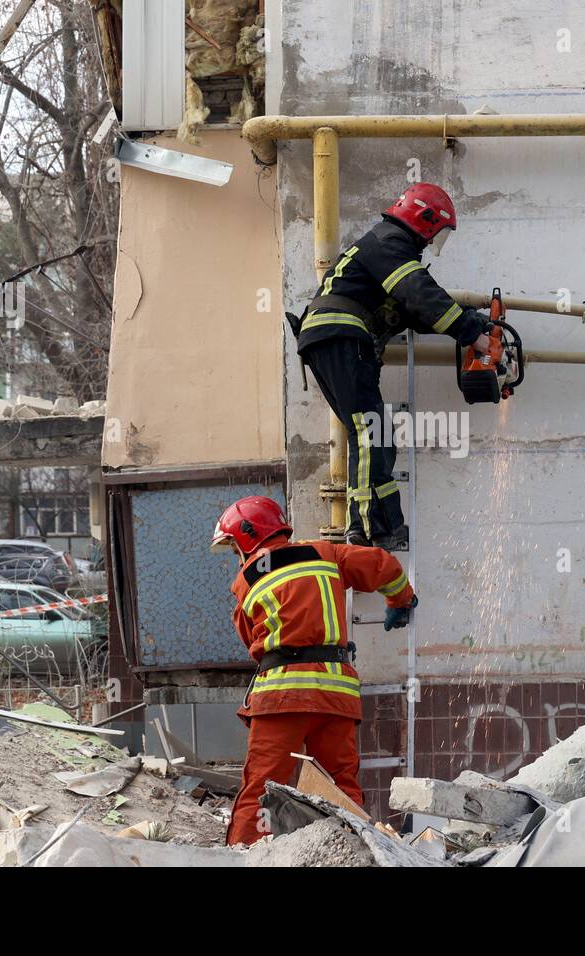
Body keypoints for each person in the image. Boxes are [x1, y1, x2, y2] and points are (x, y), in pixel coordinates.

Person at [292, 182, 492, 549]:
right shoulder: (390, 241)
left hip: (332, 338)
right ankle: (371, 529)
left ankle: (371, 524)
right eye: (437, 233)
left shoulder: (385, 250)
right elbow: (419, 292)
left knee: (373, 434)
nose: (434, 242)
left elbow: (413, 310)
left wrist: (472, 321)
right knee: (371, 432)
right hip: (341, 336)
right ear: (425, 220)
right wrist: (471, 335)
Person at [212, 495, 416, 846]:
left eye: (235, 549)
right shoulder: (326, 553)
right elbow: (385, 566)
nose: (237, 557)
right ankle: (351, 852)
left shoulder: (246, 580)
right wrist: (401, 601)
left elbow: (253, 643)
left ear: (247, 538)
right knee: (340, 787)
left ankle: (244, 854)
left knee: (261, 787)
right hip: (335, 694)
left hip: (281, 699)